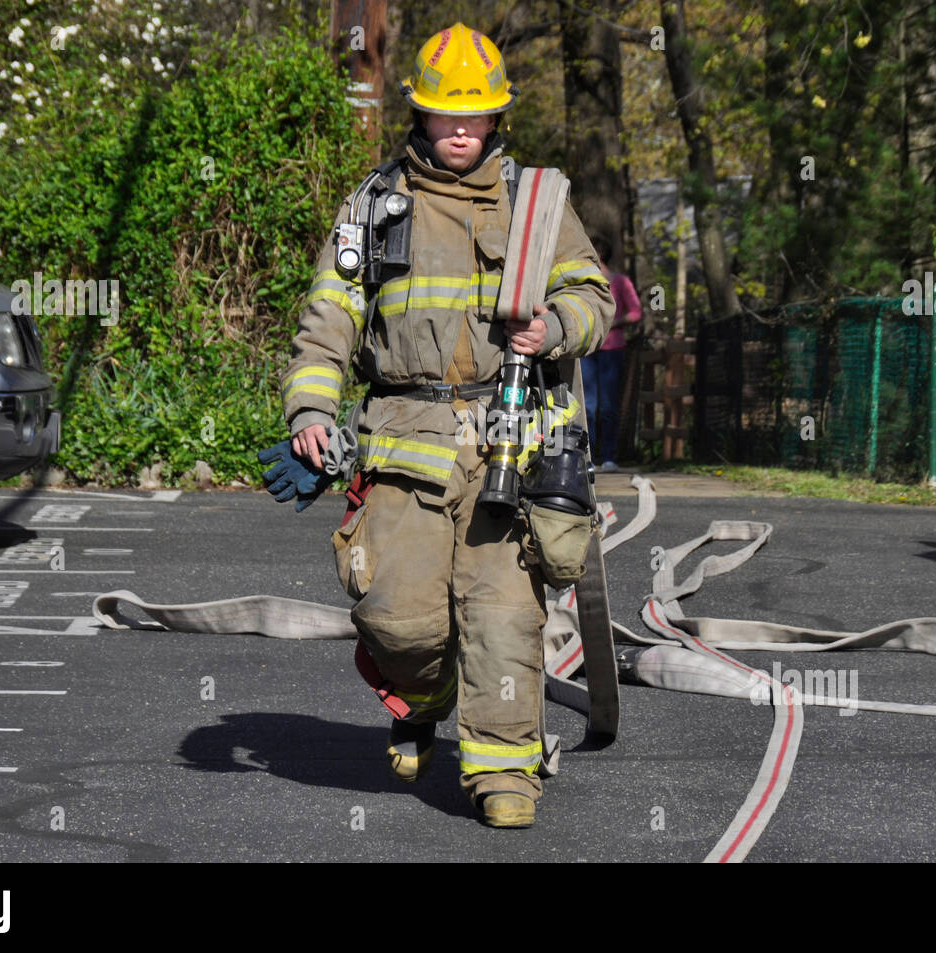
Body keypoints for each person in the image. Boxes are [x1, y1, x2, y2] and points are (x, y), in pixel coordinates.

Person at [277, 23, 614, 828]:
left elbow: (594, 297)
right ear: (420, 113)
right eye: (444, 113)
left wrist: (556, 327)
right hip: (403, 439)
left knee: (503, 612)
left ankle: (505, 773)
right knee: (399, 617)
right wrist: (311, 407)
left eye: (476, 114)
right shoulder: (374, 206)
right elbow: (329, 317)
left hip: (509, 440)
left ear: (497, 117)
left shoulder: (539, 203)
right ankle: (420, 701)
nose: (460, 128)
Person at [579, 235, 641, 471]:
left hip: (612, 350)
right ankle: (588, 456)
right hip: (586, 348)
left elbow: (636, 312)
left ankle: (609, 457)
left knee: (608, 406)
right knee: (587, 406)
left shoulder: (621, 282)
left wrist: (612, 324)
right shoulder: (584, 282)